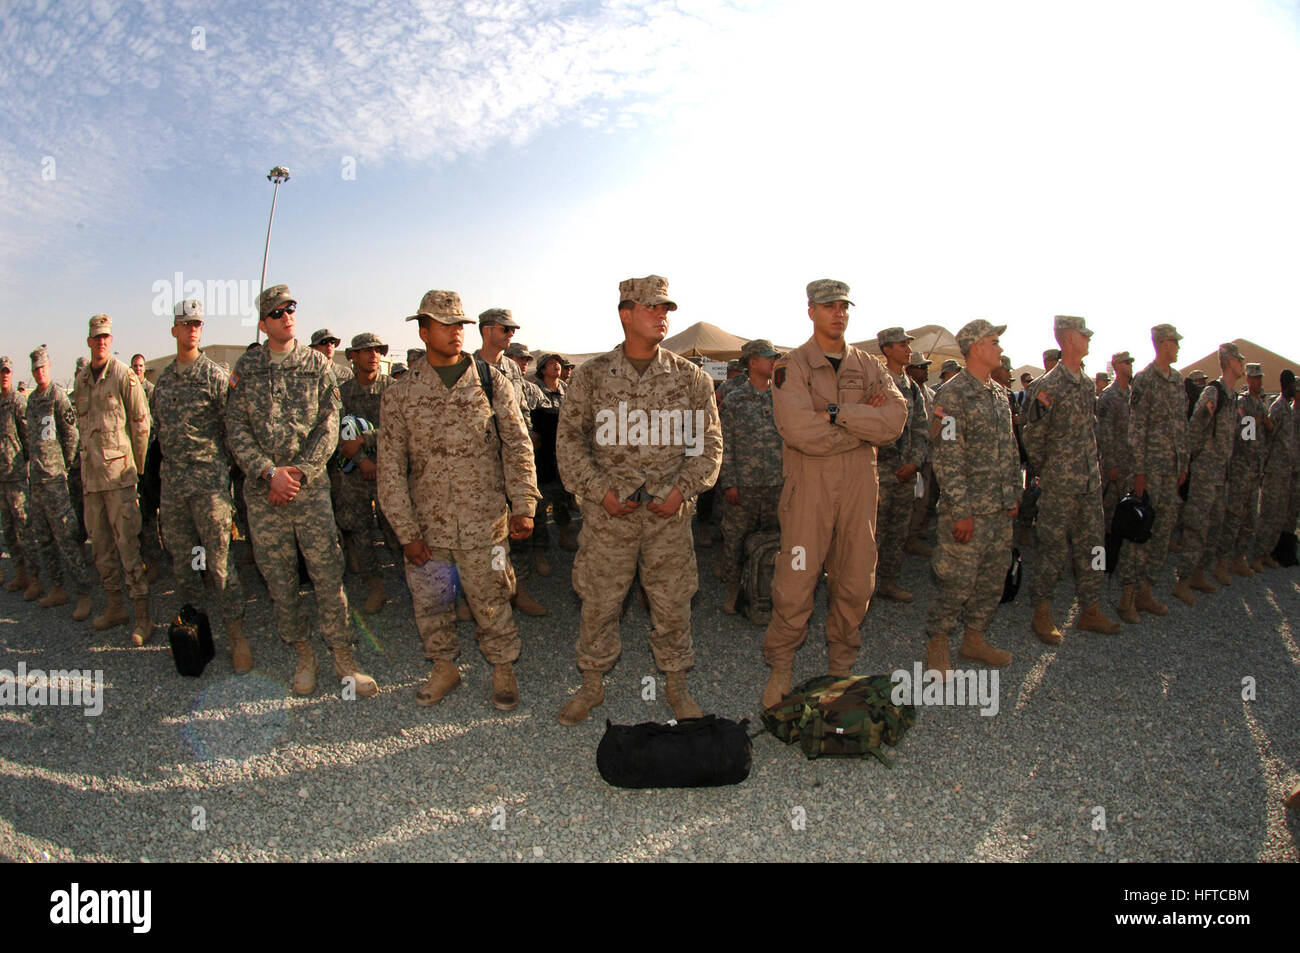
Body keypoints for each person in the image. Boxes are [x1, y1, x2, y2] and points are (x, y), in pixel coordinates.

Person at [556, 275, 722, 725]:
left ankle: (676, 686)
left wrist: (681, 491)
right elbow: (569, 443)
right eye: (653, 308)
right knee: (599, 601)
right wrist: (600, 492)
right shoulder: (591, 377)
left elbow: (708, 446)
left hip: (668, 517)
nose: (663, 316)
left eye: (666, 309)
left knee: (672, 603)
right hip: (610, 516)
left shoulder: (691, 379)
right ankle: (591, 685)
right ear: (626, 314)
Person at [378, 289, 539, 709]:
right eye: (444, 325)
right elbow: (391, 470)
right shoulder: (401, 393)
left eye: (460, 326)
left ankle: (502, 668)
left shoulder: (490, 380)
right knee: (431, 603)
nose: (455, 333)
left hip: (485, 522)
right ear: (423, 329)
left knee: (493, 598)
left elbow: (517, 445)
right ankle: (444, 666)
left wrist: (524, 505)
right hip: (429, 528)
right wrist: (406, 532)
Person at [759, 280, 907, 708]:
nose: (838, 313)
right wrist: (863, 427)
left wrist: (838, 413)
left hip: (859, 492)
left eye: (843, 306)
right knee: (796, 580)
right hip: (811, 492)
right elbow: (799, 431)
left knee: (857, 580)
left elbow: (894, 421)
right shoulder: (793, 366)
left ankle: (841, 668)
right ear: (811, 311)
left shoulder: (869, 364)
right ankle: (782, 665)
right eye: (828, 306)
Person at [226, 285, 377, 697]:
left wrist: (300, 473)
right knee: (279, 580)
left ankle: (343, 656)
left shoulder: (316, 364)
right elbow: (235, 427)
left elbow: (331, 422)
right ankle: (303, 653)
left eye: (291, 308)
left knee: (328, 575)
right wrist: (267, 472)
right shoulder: (248, 367)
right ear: (263, 323)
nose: (286, 315)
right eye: (276, 312)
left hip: (308, 493)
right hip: (264, 495)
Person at [151, 299, 249, 671]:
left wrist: (223, 472)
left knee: (220, 563)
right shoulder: (163, 381)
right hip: (175, 487)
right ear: (174, 330)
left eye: (197, 324)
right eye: (185, 324)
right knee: (186, 561)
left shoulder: (215, 376)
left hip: (208, 486)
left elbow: (233, 429)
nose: (192, 329)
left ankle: (237, 635)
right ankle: (195, 629)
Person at [924, 320, 1021, 674]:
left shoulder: (999, 394)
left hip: (998, 508)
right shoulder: (952, 394)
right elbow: (948, 456)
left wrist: (1013, 495)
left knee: (992, 578)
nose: (1000, 348)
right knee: (956, 580)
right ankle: (938, 641)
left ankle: (974, 637)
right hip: (966, 511)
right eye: (994, 342)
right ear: (975, 347)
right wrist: (961, 511)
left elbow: (1010, 450)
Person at [1019, 316, 1121, 641]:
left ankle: (1091, 608)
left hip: (1090, 484)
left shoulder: (1088, 384)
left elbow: (1090, 431)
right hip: (1060, 486)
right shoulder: (1046, 387)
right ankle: (1042, 611)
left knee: (1095, 547)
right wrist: (1050, 469)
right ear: (1066, 339)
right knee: (1052, 550)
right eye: (1083, 334)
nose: (1089, 338)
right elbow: (1032, 436)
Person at [74, 315, 152, 644]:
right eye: (97, 337)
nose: (102, 341)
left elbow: (140, 423)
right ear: (89, 342)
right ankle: (116, 606)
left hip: (119, 480)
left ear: (110, 339)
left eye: (106, 336)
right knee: (101, 548)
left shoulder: (124, 376)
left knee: (128, 548)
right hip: (92, 482)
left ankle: (143, 617)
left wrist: (137, 469)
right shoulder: (80, 380)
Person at [474, 308, 547, 616]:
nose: (511, 334)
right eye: (505, 329)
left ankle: (519, 589)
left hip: (514, 461)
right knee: (490, 535)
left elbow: (523, 408)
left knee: (521, 524)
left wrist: (529, 436)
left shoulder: (512, 369)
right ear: (486, 330)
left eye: (512, 330)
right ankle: (493, 592)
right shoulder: (469, 367)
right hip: (481, 465)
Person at [1117, 325, 1189, 616]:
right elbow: (1136, 429)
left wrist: (1182, 464)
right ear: (1161, 343)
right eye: (1174, 342)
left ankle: (1146, 592)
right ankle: (1126, 598)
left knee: (1161, 533)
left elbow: (1182, 426)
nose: (1178, 347)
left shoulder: (1178, 380)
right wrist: (1139, 473)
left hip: (1171, 471)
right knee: (1140, 532)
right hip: (1150, 470)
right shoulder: (1146, 380)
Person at [1170, 344, 1245, 603]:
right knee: (1196, 527)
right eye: (1239, 359)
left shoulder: (1232, 396)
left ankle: (1199, 573)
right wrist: (1189, 465)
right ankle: (1183, 580)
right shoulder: (1213, 392)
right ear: (1227, 362)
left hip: (1220, 474)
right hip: (1205, 473)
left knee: (1214, 526)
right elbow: (1194, 429)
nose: (1242, 363)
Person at [22, 347, 92, 617]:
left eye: (43, 367)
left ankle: (84, 592)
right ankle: (57, 589)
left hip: (55, 480)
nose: (39, 371)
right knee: (44, 538)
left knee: (67, 537)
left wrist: (64, 465)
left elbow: (71, 434)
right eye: (35, 369)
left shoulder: (57, 396)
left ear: (49, 367)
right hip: (36, 481)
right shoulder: (32, 402)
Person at [336, 331, 401, 614]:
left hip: (390, 470)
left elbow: (401, 430)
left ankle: (412, 582)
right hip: (353, 473)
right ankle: (375, 586)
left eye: (377, 350)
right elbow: (338, 432)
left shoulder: (393, 389)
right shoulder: (343, 392)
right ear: (353, 356)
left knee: (397, 529)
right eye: (366, 350)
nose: (374, 355)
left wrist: (366, 439)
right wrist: (362, 460)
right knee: (360, 532)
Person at [717, 339, 783, 614]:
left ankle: (767, 589)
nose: (773, 362)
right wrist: (729, 482)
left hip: (776, 483)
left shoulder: (782, 397)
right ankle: (735, 589)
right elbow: (725, 444)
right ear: (752, 362)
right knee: (735, 539)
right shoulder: (734, 399)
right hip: (744, 484)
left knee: (774, 539)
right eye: (768, 357)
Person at [873, 327, 928, 603]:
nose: (907, 350)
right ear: (886, 350)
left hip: (905, 474)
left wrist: (914, 463)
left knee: (898, 531)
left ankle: (889, 582)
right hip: (879, 474)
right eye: (901, 345)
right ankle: (862, 587)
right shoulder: (874, 383)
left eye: (907, 345)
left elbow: (921, 430)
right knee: (873, 533)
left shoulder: (913, 388)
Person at [530, 352, 578, 571]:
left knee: (562, 496)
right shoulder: (533, 390)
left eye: (558, 364)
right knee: (539, 504)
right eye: (551, 364)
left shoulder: (567, 390)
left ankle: (565, 534)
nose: (556, 366)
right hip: (542, 455)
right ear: (542, 369)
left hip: (564, 453)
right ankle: (539, 550)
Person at [1221, 363, 1268, 579]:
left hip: (1255, 468)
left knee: (1250, 517)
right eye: (1254, 378)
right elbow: (1246, 435)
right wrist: (1257, 421)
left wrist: (1266, 422)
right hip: (1242, 468)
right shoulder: (1243, 403)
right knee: (1234, 516)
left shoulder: (1262, 403)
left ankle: (1239, 558)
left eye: (1260, 378)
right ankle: (1222, 560)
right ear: (1247, 379)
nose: (1258, 382)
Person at [1253, 369, 1295, 571]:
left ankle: (1267, 552)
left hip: (1285, 470)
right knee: (1268, 513)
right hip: (1274, 470)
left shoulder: (1288, 408)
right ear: (1287, 386)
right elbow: (1269, 436)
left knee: (1278, 514)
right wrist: (1263, 467)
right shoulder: (1278, 407)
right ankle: (1256, 555)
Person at [0, 356, 34, 593]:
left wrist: (24, 465)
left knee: (24, 526)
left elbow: (28, 438)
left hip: (16, 475)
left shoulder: (17, 401)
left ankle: (34, 577)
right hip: (0, 479)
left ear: (11, 375)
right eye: (1, 372)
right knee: (8, 529)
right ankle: (20, 573)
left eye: (7, 372)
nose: (4, 375)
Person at [1096, 351, 1135, 533]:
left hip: (1130, 465)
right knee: (1107, 516)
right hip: (1114, 467)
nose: (1130, 365)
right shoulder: (1108, 396)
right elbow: (1104, 432)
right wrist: (1111, 464)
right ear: (1117, 366)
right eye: (1126, 363)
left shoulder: (1133, 395)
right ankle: (1101, 558)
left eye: (1130, 362)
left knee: (1125, 513)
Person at [905, 352, 937, 556]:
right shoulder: (901, 389)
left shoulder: (931, 394)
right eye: (920, 367)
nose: (924, 370)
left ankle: (913, 537)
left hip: (926, 455)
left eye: (926, 367)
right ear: (910, 369)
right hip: (906, 457)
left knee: (923, 500)